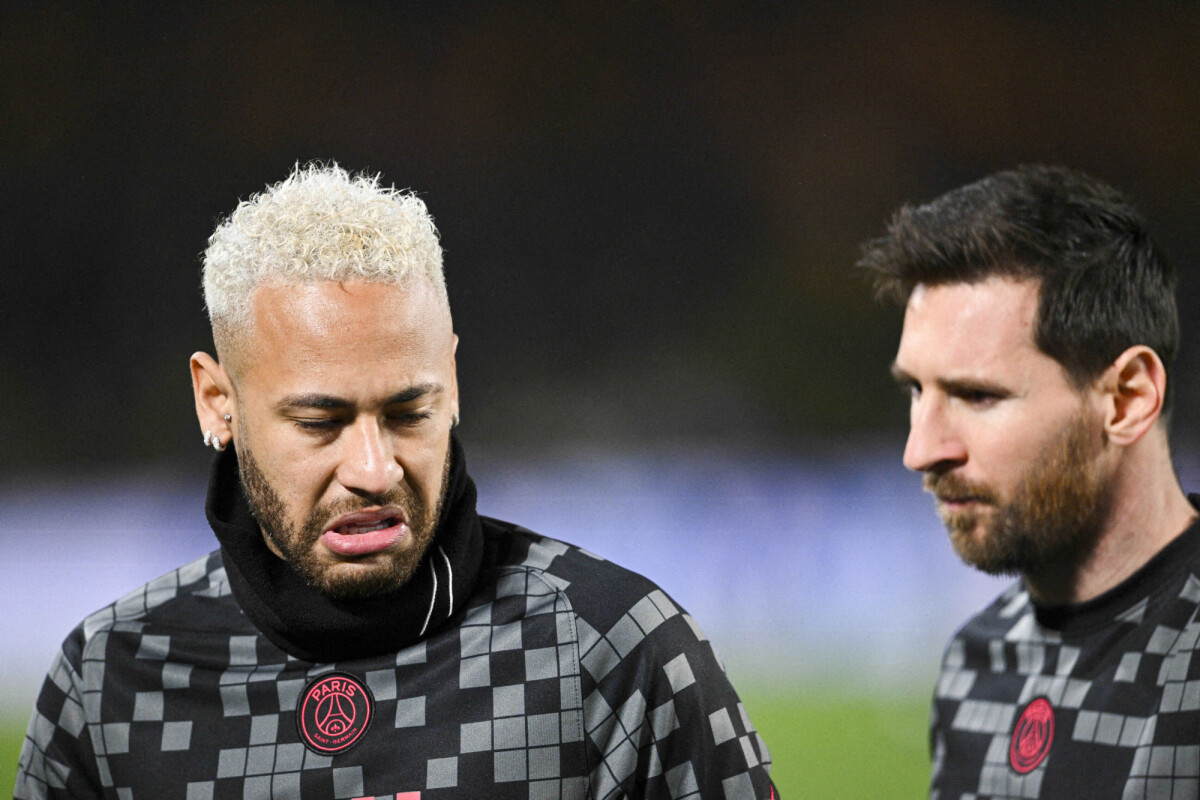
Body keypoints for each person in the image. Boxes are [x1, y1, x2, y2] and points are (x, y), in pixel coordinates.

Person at [15, 163, 777, 799]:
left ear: (450, 377)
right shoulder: (110, 685)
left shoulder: (613, 655)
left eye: (409, 411)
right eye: (320, 423)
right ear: (219, 403)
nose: (374, 470)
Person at [861, 164, 1199, 798]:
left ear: (1126, 399)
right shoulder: (975, 667)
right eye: (916, 390)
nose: (921, 450)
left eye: (977, 395)